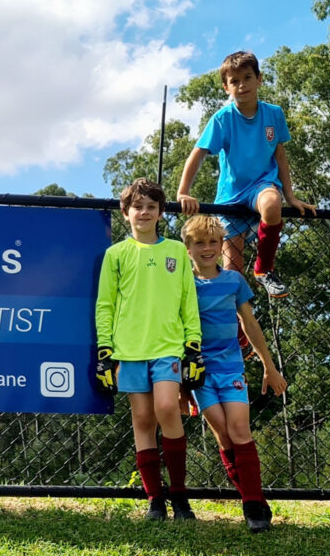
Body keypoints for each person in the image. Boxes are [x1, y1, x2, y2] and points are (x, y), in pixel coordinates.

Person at [95, 178, 204, 521]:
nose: (144, 212)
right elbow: (105, 305)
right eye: (137, 207)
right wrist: (104, 350)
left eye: (151, 207)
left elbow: (189, 298)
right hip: (128, 351)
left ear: (160, 212)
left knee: (168, 408)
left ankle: (180, 496)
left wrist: (193, 344)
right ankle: (155, 499)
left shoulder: (175, 251)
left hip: (168, 347)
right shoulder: (116, 254)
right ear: (125, 213)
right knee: (142, 419)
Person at [177, 50, 316, 300]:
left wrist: (291, 196)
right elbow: (197, 154)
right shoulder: (222, 119)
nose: (242, 85)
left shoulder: (273, 114)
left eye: (248, 78)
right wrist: (183, 192)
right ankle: (238, 335)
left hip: (261, 186)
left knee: (273, 204)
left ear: (259, 79)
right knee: (232, 274)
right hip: (231, 198)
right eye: (234, 81)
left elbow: (280, 156)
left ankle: (264, 269)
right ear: (226, 87)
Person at [181, 215, 287, 533]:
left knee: (240, 429)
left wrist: (269, 366)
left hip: (231, 369)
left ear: (221, 245)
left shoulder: (233, 281)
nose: (208, 248)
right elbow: (173, 331)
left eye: (214, 241)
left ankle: (254, 508)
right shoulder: (182, 284)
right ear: (188, 247)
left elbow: (249, 323)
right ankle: (252, 498)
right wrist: (181, 388)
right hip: (199, 374)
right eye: (200, 242)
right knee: (224, 435)